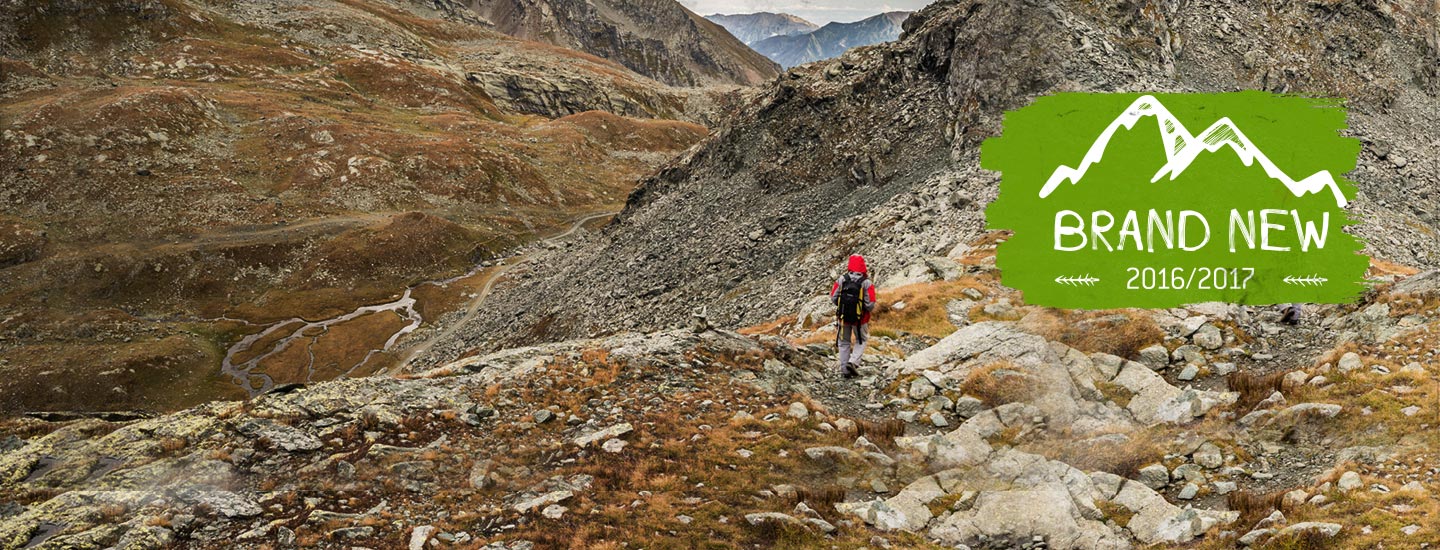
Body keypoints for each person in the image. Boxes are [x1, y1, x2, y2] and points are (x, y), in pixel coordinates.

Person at [830, 254, 876, 378]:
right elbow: (870, 304)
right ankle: (853, 362)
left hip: (843, 317)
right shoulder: (866, 283)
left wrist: (843, 307)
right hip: (860, 319)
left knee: (844, 342)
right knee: (862, 340)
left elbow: (833, 297)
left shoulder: (842, 279)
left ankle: (845, 370)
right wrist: (861, 308)